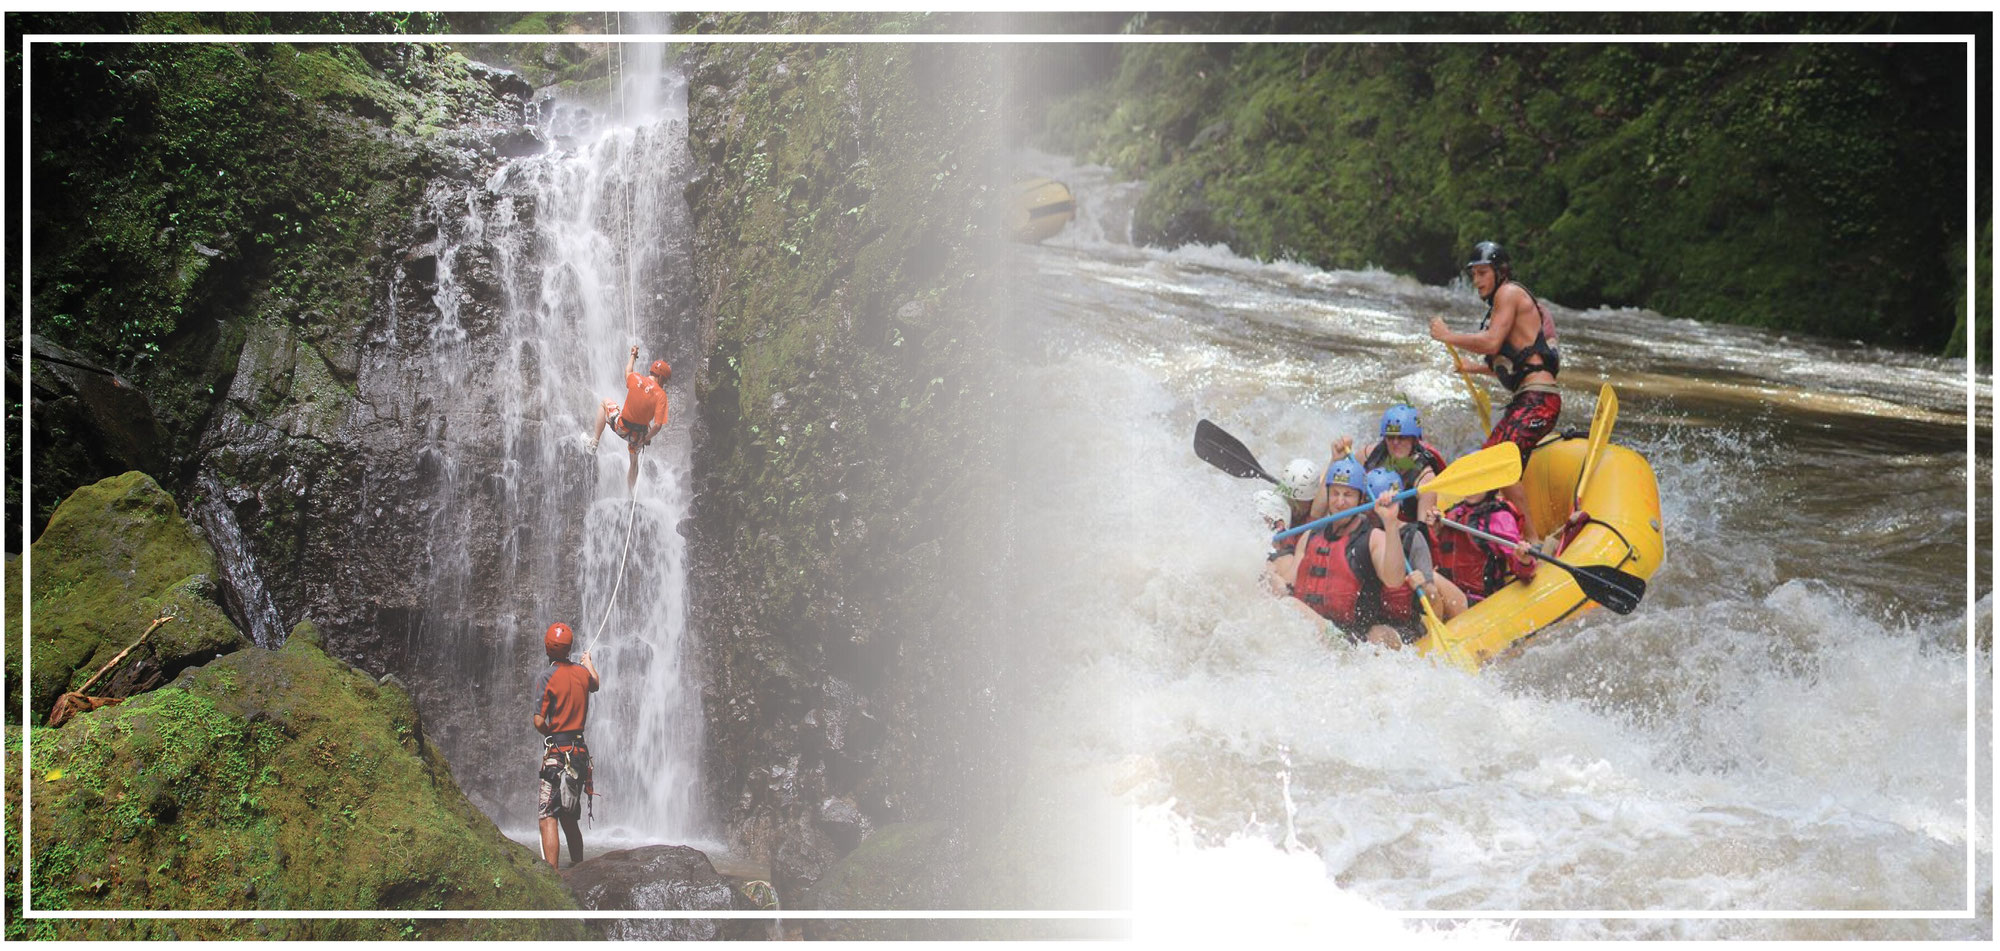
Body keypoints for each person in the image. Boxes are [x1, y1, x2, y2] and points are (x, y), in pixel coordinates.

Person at [1429, 240, 1561, 542]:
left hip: (1540, 400)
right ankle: (1505, 535)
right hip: (1526, 400)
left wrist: (1448, 336)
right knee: (1494, 463)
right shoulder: (1503, 303)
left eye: (1482, 273)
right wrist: (1471, 368)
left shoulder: (1509, 293)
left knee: (1497, 462)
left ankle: (1533, 541)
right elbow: (1515, 362)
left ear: (1500, 272)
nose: (1477, 281)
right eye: (1473, 275)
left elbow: (1490, 343)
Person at [1282, 464, 1462, 649]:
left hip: (1357, 637)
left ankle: (1338, 644)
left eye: (1348, 495)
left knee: (1379, 635)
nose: (1340, 501)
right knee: (1287, 603)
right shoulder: (1310, 535)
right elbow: (1289, 582)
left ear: (1361, 500)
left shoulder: (1374, 538)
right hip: (1319, 629)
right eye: (1335, 493)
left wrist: (1390, 523)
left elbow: (1394, 579)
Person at [533, 621, 600, 870]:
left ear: (548, 648)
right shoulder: (582, 673)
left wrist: (549, 733)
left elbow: (539, 720)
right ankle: (579, 869)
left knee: (548, 815)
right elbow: (595, 682)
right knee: (569, 817)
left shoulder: (547, 676)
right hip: (579, 755)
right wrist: (588, 661)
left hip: (558, 756)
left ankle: (552, 877)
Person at [1427, 488, 1538, 604]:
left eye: (1476, 484)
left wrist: (1524, 561)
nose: (1470, 488)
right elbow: (1436, 558)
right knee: (1425, 579)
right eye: (1467, 482)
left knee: (1432, 578)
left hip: (1479, 600)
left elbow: (1521, 569)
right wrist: (1435, 531)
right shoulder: (1455, 513)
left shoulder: (1500, 518)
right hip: (1454, 595)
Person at [588, 345, 670, 490]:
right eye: (665, 381)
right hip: (636, 437)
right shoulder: (661, 395)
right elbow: (657, 425)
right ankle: (630, 495)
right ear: (661, 377)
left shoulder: (635, 378)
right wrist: (645, 439)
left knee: (605, 403)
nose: (665, 384)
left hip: (621, 427)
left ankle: (594, 442)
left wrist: (633, 355)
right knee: (633, 463)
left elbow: (628, 371)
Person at [1356, 404, 1449, 526]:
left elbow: (1422, 534)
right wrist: (1336, 459)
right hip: (1365, 524)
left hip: (1399, 530)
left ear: (1414, 440)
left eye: (1402, 437)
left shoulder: (1425, 480)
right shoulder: (1368, 454)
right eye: (1390, 437)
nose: (1395, 442)